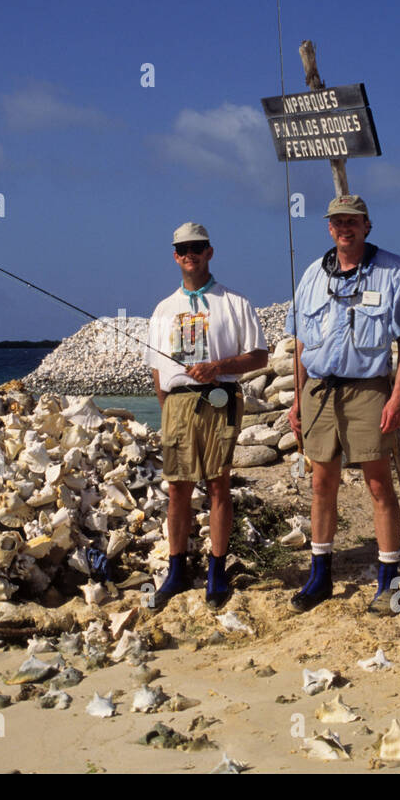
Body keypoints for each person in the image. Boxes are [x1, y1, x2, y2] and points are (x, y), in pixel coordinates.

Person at [285, 194, 400, 612]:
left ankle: (389, 579)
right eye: (337, 221)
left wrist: (397, 396)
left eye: (353, 221)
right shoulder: (310, 275)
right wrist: (296, 399)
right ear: (329, 228)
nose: (345, 227)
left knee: (379, 483)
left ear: (367, 225)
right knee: (322, 484)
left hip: (368, 389)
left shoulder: (393, 272)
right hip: (319, 389)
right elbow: (300, 341)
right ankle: (319, 575)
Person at [144, 222, 268, 609]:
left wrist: (218, 366)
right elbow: (155, 367)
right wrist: (166, 407)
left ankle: (216, 571)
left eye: (197, 247)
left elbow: (259, 356)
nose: (190, 254)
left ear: (210, 252)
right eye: (182, 248)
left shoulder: (235, 302)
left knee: (218, 483)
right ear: (174, 255)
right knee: (177, 487)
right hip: (178, 403)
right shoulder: (164, 309)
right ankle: (176, 570)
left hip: (221, 398)